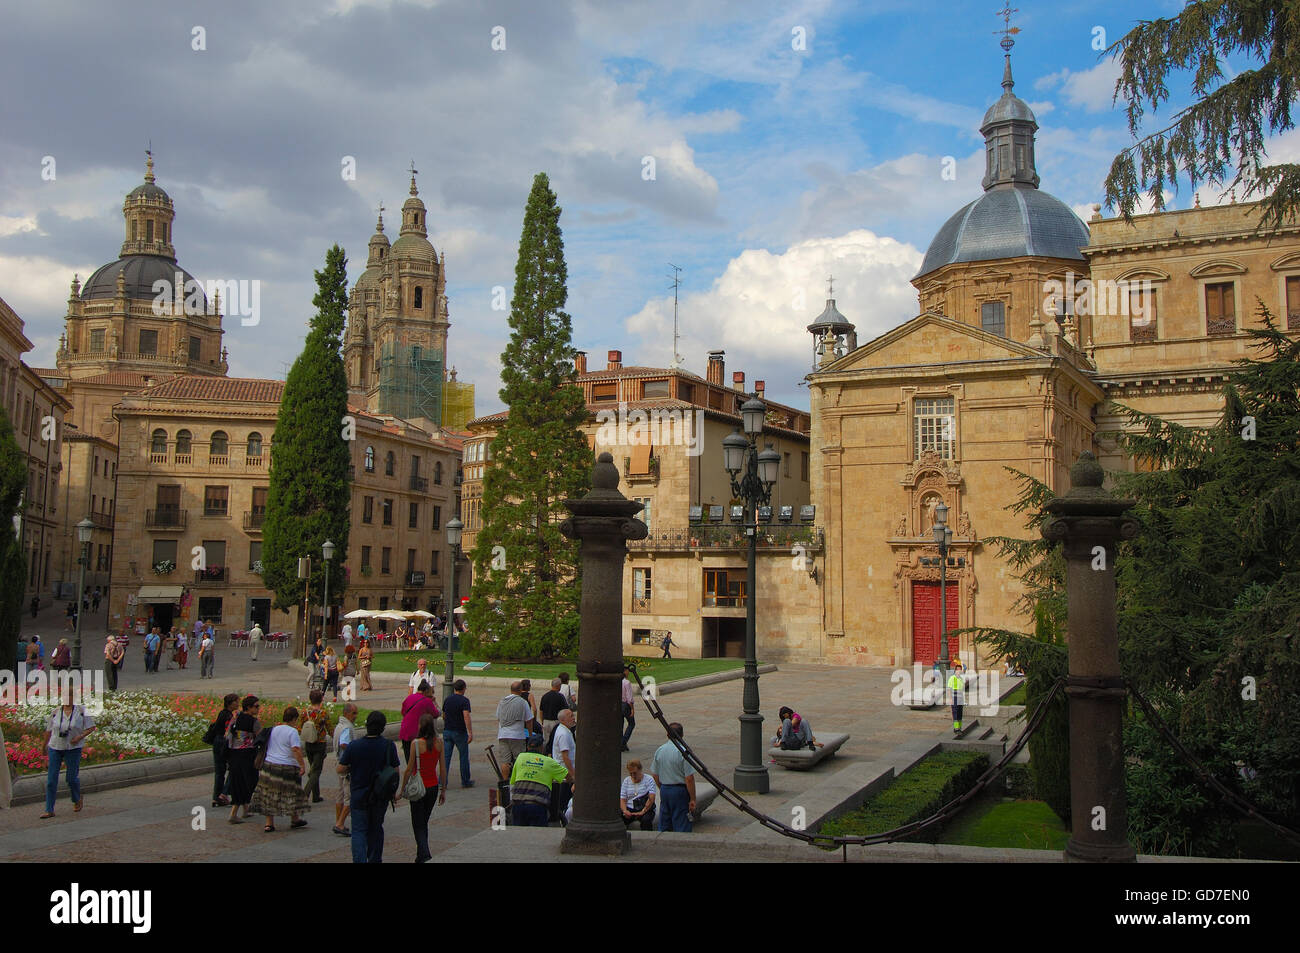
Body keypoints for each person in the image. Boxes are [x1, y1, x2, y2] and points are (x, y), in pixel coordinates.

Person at [338, 711, 400, 863]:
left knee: (358, 831)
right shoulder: (388, 746)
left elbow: (340, 768)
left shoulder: (355, 746)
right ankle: (374, 859)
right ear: (383, 728)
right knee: (376, 829)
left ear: (367, 726)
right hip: (380, 796)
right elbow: (395, 771)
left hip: (359, 795)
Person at [40, 685, 97, 818]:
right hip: (55, 746)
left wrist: (79, 737)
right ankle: (49, 809)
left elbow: (91, 727)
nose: (67, 699)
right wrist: (44, 747)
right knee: (51, 780)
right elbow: (49, 731)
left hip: (73, 748)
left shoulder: (81, 711)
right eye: (65, 696)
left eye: (70, 697)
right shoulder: (56, 712)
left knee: (71, 778)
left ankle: (77, 798)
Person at [251, 706, 309, 832]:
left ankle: (269, 823)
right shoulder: (292, 732)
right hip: (287, 766)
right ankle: (294, 818)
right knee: (292, 791)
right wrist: (302, 765)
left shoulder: (274, 729)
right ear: (294, 719)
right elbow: (296, 749)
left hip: (269, 764)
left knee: (269, 793)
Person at [400, 713, 446, 863]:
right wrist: (443, 789)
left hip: (418, 787)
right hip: (432, 787)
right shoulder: (439, 742)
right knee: (423, 822)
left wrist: (401, 789)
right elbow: (443, 769)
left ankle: (425, 855)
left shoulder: (416, 744)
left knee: (418, 824)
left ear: (420, 726)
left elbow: (409, 769)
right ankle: (420, 856)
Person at [650, 723, 696, 833]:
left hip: (665, 789)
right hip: (679, 790)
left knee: (665, 821)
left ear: (667, 734)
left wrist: (662, 787)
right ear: (682, 734)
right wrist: (693, 798)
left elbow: (655, 774)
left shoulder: (660, 750)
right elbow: (689, 778)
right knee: (681, 823)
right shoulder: (684, 752)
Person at [224, 695, 263, 824]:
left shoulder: (236, 718)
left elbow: (227, 735)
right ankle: (233, 813)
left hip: (234, 754)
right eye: (256, 706)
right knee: (248, 781)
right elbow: (261, 738)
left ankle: (246, 809)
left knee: (238, 781)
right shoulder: (254, 722)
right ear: (249, 707)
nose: (258, 709)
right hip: (248, 754)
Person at [507, 752, 567, 827]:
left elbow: (512, 781)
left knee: (519, 834)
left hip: (518, 805)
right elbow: (568, 776)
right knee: (538, 834)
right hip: (537, 806)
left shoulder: (520, 757)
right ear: (541, 748)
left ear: (528, 747)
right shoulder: (549, 761)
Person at [299, 690, 331, 803]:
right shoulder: (323, 713)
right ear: (321, 699)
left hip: (308, 743)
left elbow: (300, 727)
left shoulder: (304, 712)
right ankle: (305, 794)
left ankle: (316, 796)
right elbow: (330, 728)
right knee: (316, 770)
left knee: (313, 766)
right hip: (320, 743)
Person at [441, 679, 474, 788]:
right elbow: (466, 716)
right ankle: (465, 780)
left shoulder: (447, 699)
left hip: (447, 731)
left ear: (454, 688)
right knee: (463, 756)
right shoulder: (464, 701)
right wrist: (470, 732)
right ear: (464, 689)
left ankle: (442, 782)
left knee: (445, 757)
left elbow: (444, 715)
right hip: (459, 731)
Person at [495, 681, 532, 776]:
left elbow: (498, 717)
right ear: (520, 690)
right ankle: (518, 780)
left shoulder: (502, 701)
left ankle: (505, 782)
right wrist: (530, 734)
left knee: (505, 761)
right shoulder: (523, 702)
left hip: (503, 735)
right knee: (520, 760)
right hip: (517, 736)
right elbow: (529, 720)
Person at [207, 693, 238, 807]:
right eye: (236, 701)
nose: (238, 703)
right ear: (231, 703)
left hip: (217, 742)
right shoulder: (229, 716)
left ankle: (216, 797)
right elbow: (230, 731)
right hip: (225, 743)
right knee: (234, 768)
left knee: (219, 771)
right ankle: (224, 793)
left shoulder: (222, 713)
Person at [332, 702, 358, 836]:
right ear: (347, 713)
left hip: (338, 763)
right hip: (346, 766)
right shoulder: (347, 728)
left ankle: (338, 822)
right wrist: (353, 752)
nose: (356, 716)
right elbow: (344, 743)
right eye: (354, 713)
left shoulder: (339, 725)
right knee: (349, 795)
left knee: (340, 794)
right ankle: (340, 823)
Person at [400, 680, 440, 762]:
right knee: (418, 760)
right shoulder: (427, 701)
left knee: (409, 758)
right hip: (418, 733)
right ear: (425, 691)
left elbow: (403, 712)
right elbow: (436, 714)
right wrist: (433, 702)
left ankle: (410, 773)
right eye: (429, 692)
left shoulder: (409, 698)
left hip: (405, 731)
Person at [549, 709, 577, 820]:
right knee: (565, 799)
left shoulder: (565, 730)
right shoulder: (563, 734)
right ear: (563, 720)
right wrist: (572, 775)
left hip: (565, 772)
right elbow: (565, 756)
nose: (573, 718)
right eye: (571, 716)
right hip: (565, 773)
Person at [620, 759, 658, 831]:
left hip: (644, 807)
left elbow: (651, 797)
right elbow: (622, 798)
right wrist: (625, 810)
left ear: (640, 770)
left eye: (635, 773)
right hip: (630, 808)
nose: (633, 776)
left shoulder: (649, 779)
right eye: (630, 773)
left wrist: (643, 811)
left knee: (646, 821)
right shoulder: (626, 781)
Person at [539, 677, 569, 748]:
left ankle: (545, 753)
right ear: (559, 686)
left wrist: (542, 721)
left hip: (546, 721)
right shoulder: (560, 697)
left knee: (546, 741)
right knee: (555, 741)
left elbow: (541, 710)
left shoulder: (545, 696)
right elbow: (565, 710)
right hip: (556, 722)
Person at [949, 660, 967, 733]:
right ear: (955, 670)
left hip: (960, 698)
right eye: (958, 670)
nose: (959, 671)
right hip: (954, 697)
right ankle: (956, 728)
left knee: (960, 712)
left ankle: (959, 728)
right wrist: (950, 698)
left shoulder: (961, 679)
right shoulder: (952, 678)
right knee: (955, 712)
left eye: (960, 670)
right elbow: (949, 689)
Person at [621, 667, 636, 751]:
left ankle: (622, 742)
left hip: (619, 704)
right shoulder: (627, 682)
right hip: (626, 705)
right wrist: (632, 709)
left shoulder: (617, 682)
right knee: (631, 723)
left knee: (620, 724)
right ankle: (623, 742)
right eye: (627, 671)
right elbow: (629, 698)